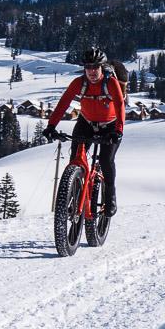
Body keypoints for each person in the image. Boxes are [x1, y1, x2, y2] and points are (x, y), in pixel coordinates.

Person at [44, 46, 125, 216]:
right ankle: (73, 193)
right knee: (75, 159)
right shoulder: (79, 83)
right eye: (88, 68)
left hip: (110, 125)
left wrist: (118, 131)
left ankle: (110, 196)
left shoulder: (110, 83)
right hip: (86, 123)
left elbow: (119, 105)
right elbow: (63, 104)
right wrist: (51, 126)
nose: (92, 71)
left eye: (95, 67)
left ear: (102, 67)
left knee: (105, 160)